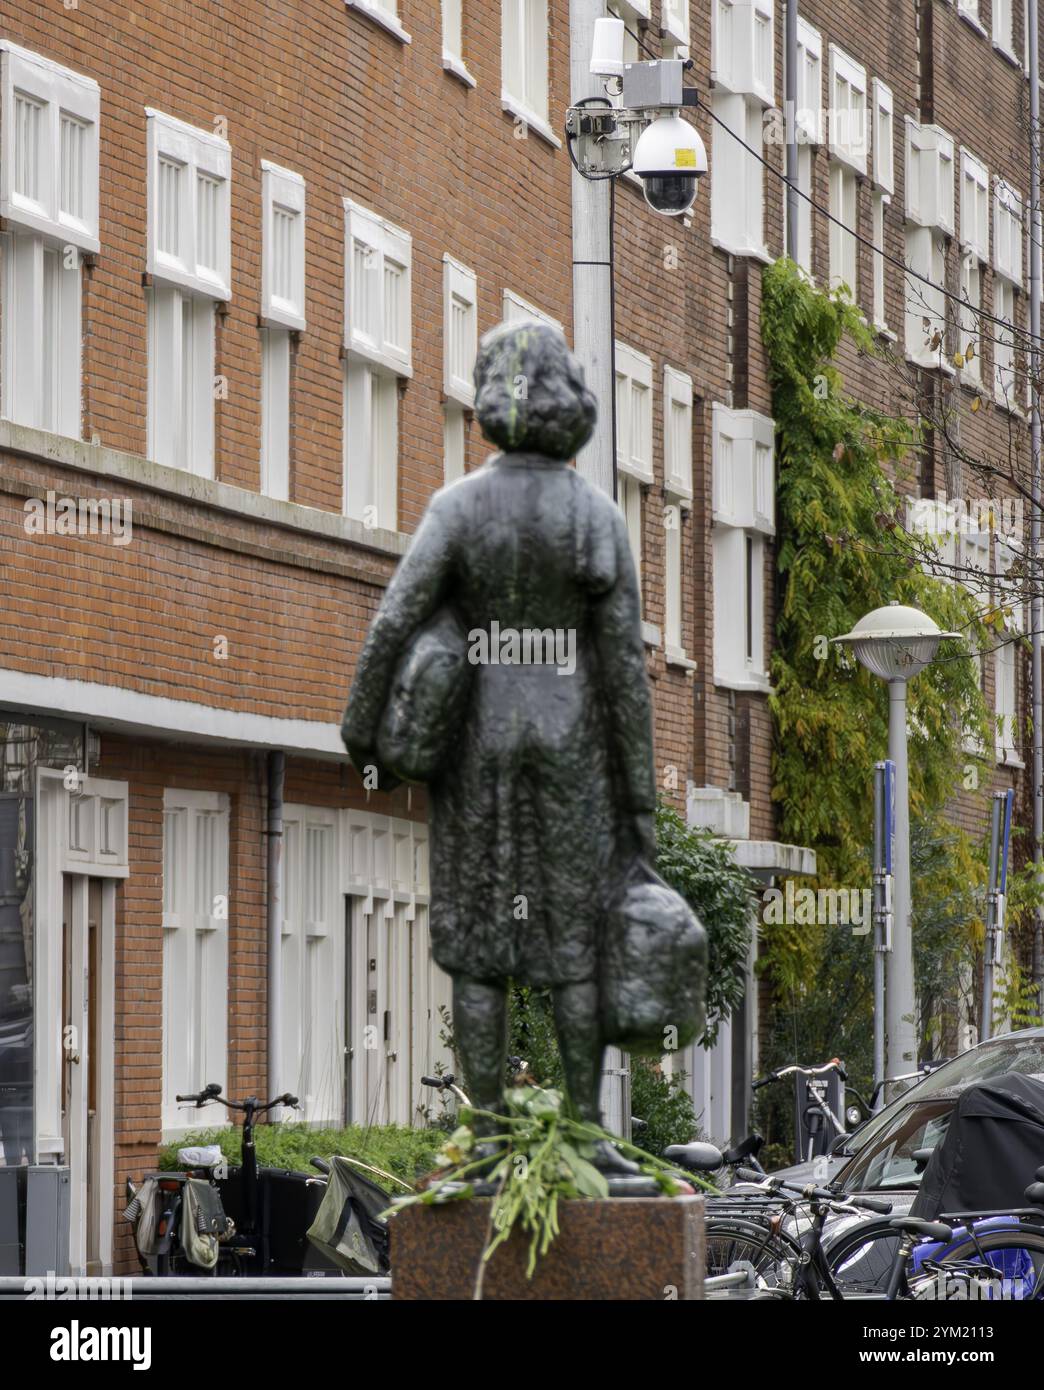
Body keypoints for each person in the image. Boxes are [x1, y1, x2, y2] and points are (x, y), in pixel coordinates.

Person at [342, 322, 656, 1169]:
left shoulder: (457, 509)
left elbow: (391, 623)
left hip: (475, 747)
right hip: (571, 752)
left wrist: (360, 731)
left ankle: (484, 1134)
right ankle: (587, 1132)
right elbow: (626, 673)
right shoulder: (595, 518)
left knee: (476, 950)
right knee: (575, 946)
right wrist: (639, 805)